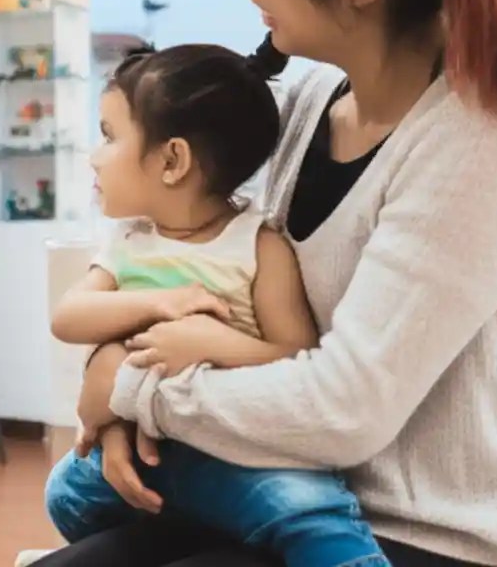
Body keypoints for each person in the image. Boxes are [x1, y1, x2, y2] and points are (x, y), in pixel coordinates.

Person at [34, 0, 497, 565]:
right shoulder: (300, 108)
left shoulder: (485, 136)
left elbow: (346, 408)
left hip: (423, 533)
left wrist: (131, 391)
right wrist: (114, 375)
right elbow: (196, 282)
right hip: (272, 477)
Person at [36, 38, 387, 567]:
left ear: (173, 160)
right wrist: (162, 305)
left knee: (310, 509)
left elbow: (297, 352)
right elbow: (69, 318)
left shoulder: (259, 244)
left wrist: (215, 343)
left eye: (109, 136)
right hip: (147, 446)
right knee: (64, 494)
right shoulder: (129, 241)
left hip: (235, 452)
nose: (93, 155)